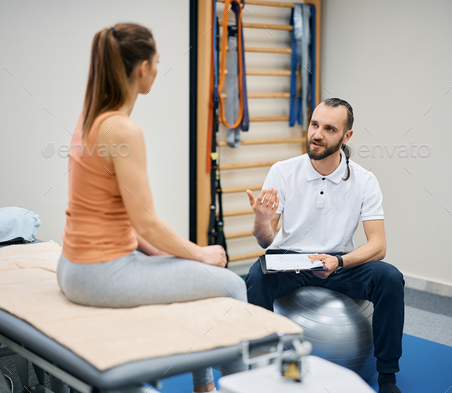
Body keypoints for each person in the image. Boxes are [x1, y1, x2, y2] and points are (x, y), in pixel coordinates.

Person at [56, 23, 247, 393]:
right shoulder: (123, 131)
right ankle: (242, 385)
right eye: (156, 62)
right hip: (100, 274)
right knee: (232, 287)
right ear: (142, 68)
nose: (158, 69)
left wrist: (184, 256)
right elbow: (146, 223)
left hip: (73, 266)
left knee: (194, 274)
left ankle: (204, 387)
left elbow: (122, 219)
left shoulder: (89, 118)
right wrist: (202, 254)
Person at [245, 98, 404, 393]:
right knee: (256, 276)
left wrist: (339, 262)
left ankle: (387, 377)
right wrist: (262, 221)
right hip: (292, 261)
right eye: (314, 124)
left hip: (340, 263)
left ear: (346, 137)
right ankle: (262, 368)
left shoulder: (365, 181)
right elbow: (266, 240)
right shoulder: (283, 171)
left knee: (390, 278)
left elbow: (378, 246)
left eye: (329, 129)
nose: (317, 134)